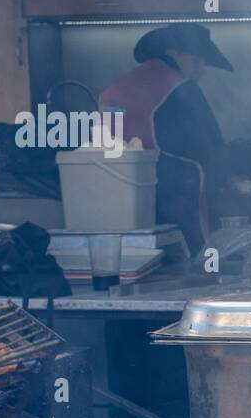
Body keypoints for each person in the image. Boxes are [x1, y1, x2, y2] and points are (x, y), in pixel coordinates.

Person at [99, 23, 233, 252]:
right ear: (173, 53)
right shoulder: (180, 87)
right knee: (194, 261)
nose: (202, 70)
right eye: (197, 61)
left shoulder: (117, 87)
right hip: (176, 194)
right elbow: (209, 147)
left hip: (121, 194)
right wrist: (227, 179)